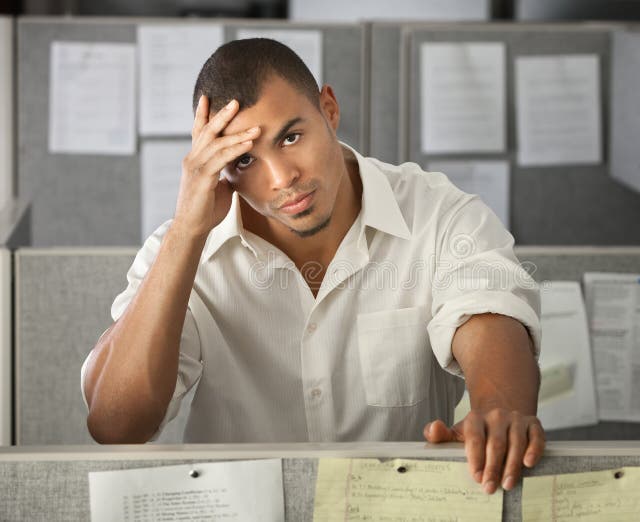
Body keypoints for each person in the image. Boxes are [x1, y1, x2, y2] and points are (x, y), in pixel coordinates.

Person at [81, 38, 543, 495]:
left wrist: (498, 406)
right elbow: (116, 426)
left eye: (291, 137)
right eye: (244, 159)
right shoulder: (183, 250)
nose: (282, 178)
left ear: (329, 109)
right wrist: (185, 233)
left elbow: (488, 316)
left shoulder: (438, 214)